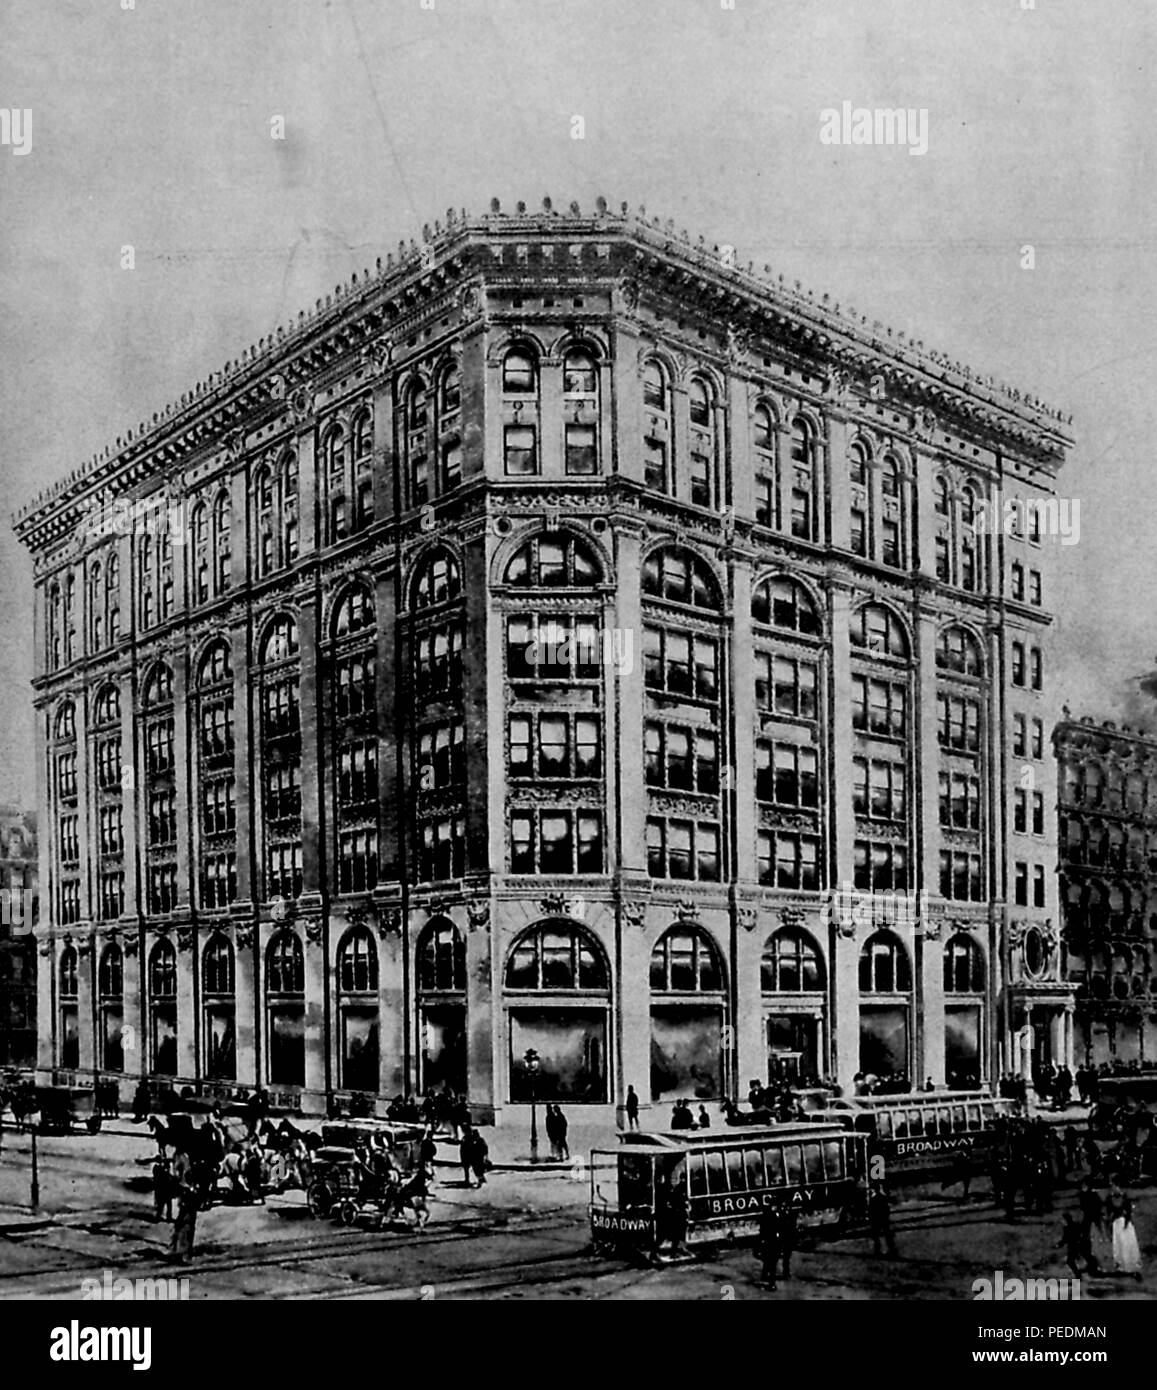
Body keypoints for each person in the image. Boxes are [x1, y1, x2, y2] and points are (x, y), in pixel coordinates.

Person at [1109, 1187, 1142, 1279]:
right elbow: (1110, 1213)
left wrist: (1126, 1223)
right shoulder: (1110, 1199)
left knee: (1127, 1244)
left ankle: (1132, 1266)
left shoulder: (1125, 1199)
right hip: (1116, 1224)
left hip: (1124, 1224)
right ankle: (1121, 1266)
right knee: (1119, 1244)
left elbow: (1128, 1212)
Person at [756, 1203, 782, 1289]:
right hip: (771, 1243)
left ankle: (767, 1278)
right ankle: (772, 1283)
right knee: (772, 1264)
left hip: (773, 1242)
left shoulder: (775, 1215)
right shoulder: (770, 1217)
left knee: (769, 1263)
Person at [868, 1183, 897, 1257]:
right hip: (883, 1218)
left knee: (876, 1235)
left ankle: (877, 1250)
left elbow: (871, 1211)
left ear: (873, 1189)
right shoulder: (882, 1196)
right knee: (887, 1234)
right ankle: (891, 1249)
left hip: (876, 1219)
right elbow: (888, 1206)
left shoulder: (873, 1198)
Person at [152, 1157, 173, 1223]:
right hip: (162, 1188)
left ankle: (166, 1217)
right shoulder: (158, 1168)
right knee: (163, 1204)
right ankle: (162, 1217)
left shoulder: (159, 1168)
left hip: (165, 1188)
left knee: (166, 1204)